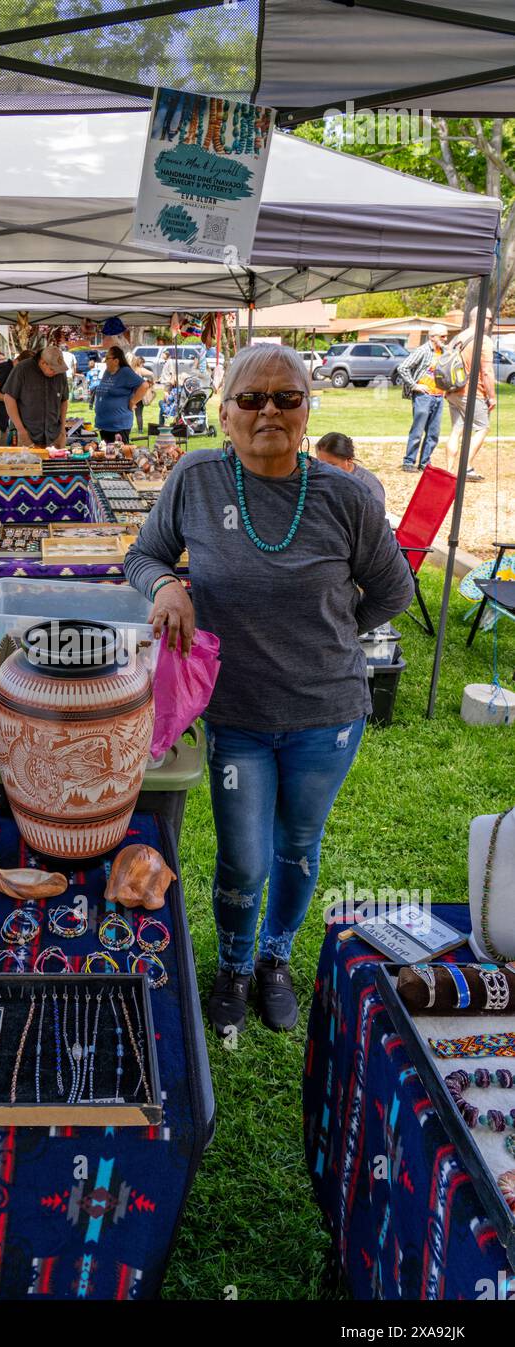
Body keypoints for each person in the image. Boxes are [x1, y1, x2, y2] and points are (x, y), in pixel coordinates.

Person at [124, 344, 414, 1036]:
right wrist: (166, 585)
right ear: (224, 413)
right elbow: (144, 554)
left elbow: (396, 589)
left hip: (326, 714)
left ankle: (276, 959)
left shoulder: (346, 496)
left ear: (309, 409)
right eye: (251, 399)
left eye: (288, 397)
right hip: (236, 715)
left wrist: (332, 632)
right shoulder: (197, 479)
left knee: (299, 847)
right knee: (243, 856)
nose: (269, 412)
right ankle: (233, 963)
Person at [445, 306, 496, 482]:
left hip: (452, 390)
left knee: (457, 428)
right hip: (473, 392)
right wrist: (492, 396)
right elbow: (487, 371)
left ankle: (449, 469)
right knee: (482, 427)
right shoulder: (484, 341)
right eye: (490, 319)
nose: (491, 322)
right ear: (482, 319)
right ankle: (465, 467)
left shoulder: (457, 338)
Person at [397, 325, 448, 472]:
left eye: (446, 336)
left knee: (433, 433)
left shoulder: (443, 352)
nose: (445, 339)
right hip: (423, 396)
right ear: (432, 337)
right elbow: (403, 367)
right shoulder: (423, 350)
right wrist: (415, 385)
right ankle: (408, 462)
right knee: (417, 431)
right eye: (442, 336)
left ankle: (425, 463)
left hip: (438, 396)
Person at [2, 345, 69, 447]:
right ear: (42, 363)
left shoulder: (60, 373)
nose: (55, 372)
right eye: (52, 369)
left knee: (56, 462)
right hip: (28, 435)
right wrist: (21, 430)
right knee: (29, 463)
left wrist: (62, 429)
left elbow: (64, 400)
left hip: (54, 435)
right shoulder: (23, 369)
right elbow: (9, 398)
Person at [93, 345, 148, 443]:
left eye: (107, 358)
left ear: (116, 361)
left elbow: (144, 386)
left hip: (118, 426)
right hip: (104, 424)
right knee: (107, 455)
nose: (105, 361)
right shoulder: (107, 372)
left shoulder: (125, 372)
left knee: (118, 456)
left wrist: (133, 401)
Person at [315, 431, 386, 504]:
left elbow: (376, 514)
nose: (324, 469)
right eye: (321, 463)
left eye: (332, 465)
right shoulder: (316, 477)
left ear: (349, 460)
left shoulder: (369, 486)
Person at [130, 352, 155, 436]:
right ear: (140, 363)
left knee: (130, 412)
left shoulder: (130, 370)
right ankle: (140, 430)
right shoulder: (140, 369)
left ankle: (128, 428)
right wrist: (150, 383)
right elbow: (151, 374)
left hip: (131, 393)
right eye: (143, 364)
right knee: (139, 413)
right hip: (139, 393)